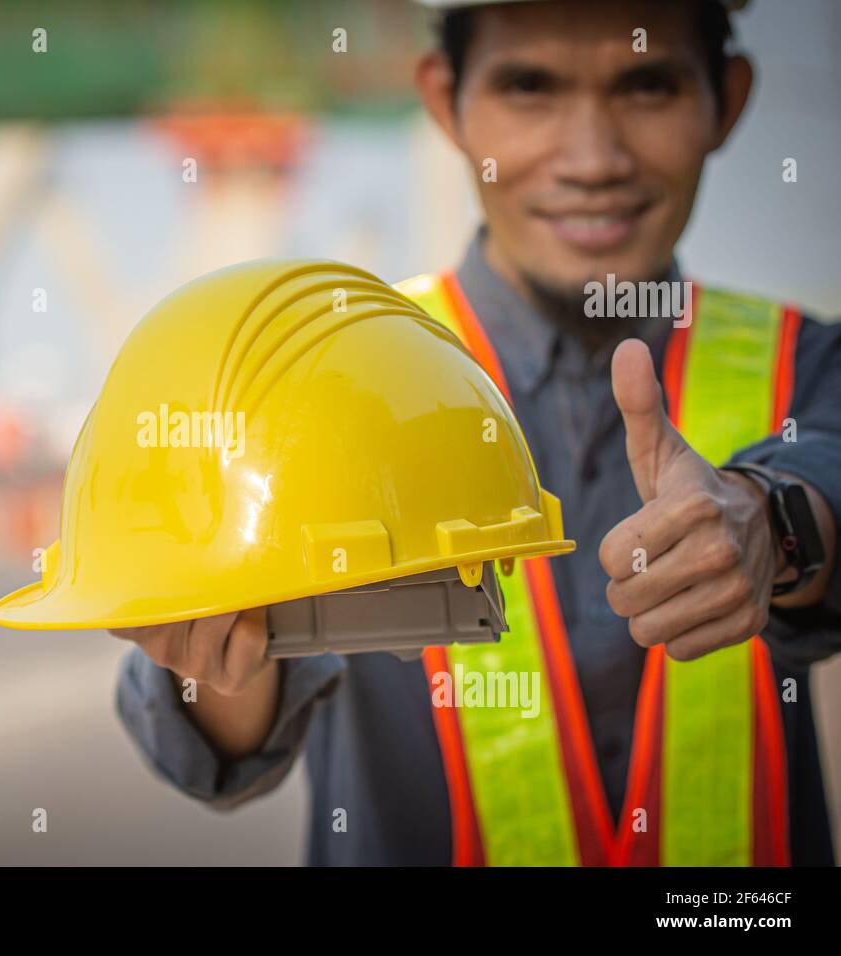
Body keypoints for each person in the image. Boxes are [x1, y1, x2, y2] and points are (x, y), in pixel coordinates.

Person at [112, 0, 841, 864]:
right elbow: (201, 744)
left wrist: (772, 525)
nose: (593, 158)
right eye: (530, 87)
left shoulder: (809, 363)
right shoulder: (323, 376)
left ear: (728, 98)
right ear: (443, 99)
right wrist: (219, 661)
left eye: (647, 85)